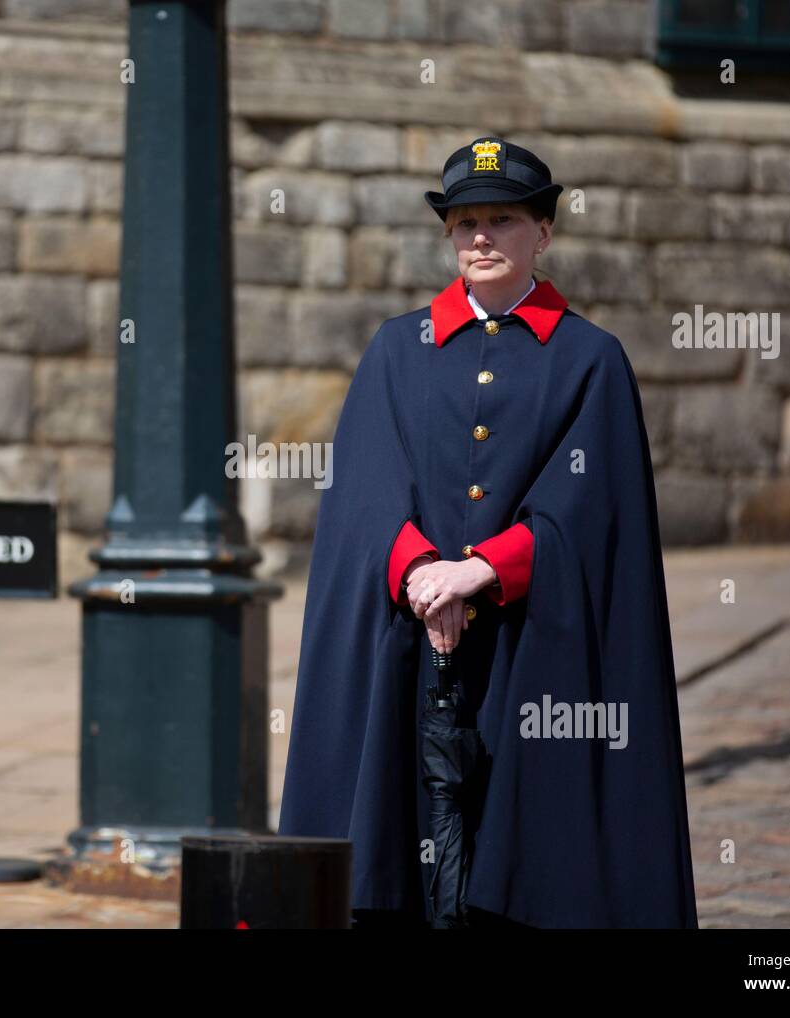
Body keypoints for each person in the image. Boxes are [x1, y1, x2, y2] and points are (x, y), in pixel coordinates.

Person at [276, 136, 699, 929]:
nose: (480, 237)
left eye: (502, 219)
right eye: (465, 221)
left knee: (523, 859)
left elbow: (594, 508)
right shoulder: (398, 349)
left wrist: (484, 572)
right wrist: (418, 571)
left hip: (529, 645)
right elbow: (364, 490)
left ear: (543, 233)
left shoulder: (591, 359)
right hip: (408, 636)